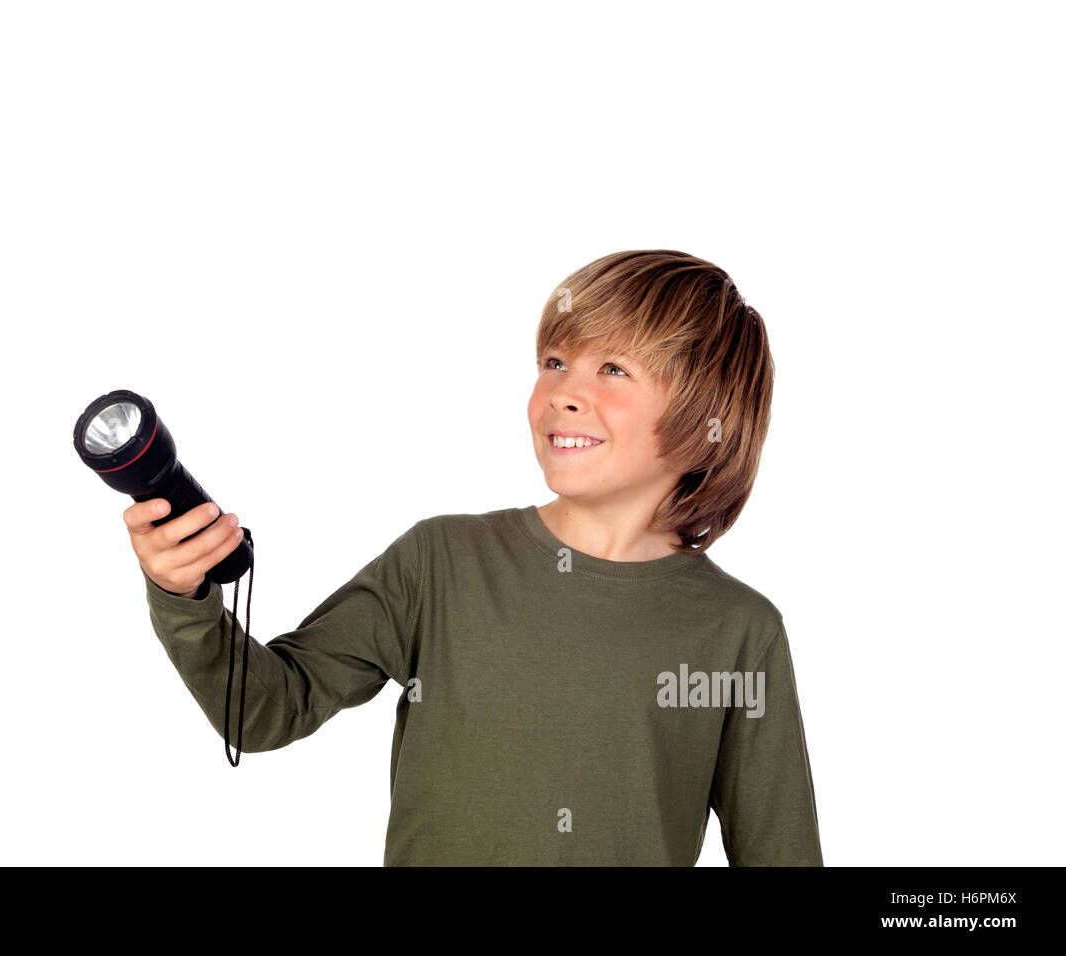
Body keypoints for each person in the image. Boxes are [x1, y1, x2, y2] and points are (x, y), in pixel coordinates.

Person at [125, 249, 823, 866]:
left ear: (707, 419)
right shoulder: (441, 562)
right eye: (554, 363)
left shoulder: (739, 632)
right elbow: (264, 709)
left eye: (612, 368)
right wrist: (184, 599)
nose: (564, 394)